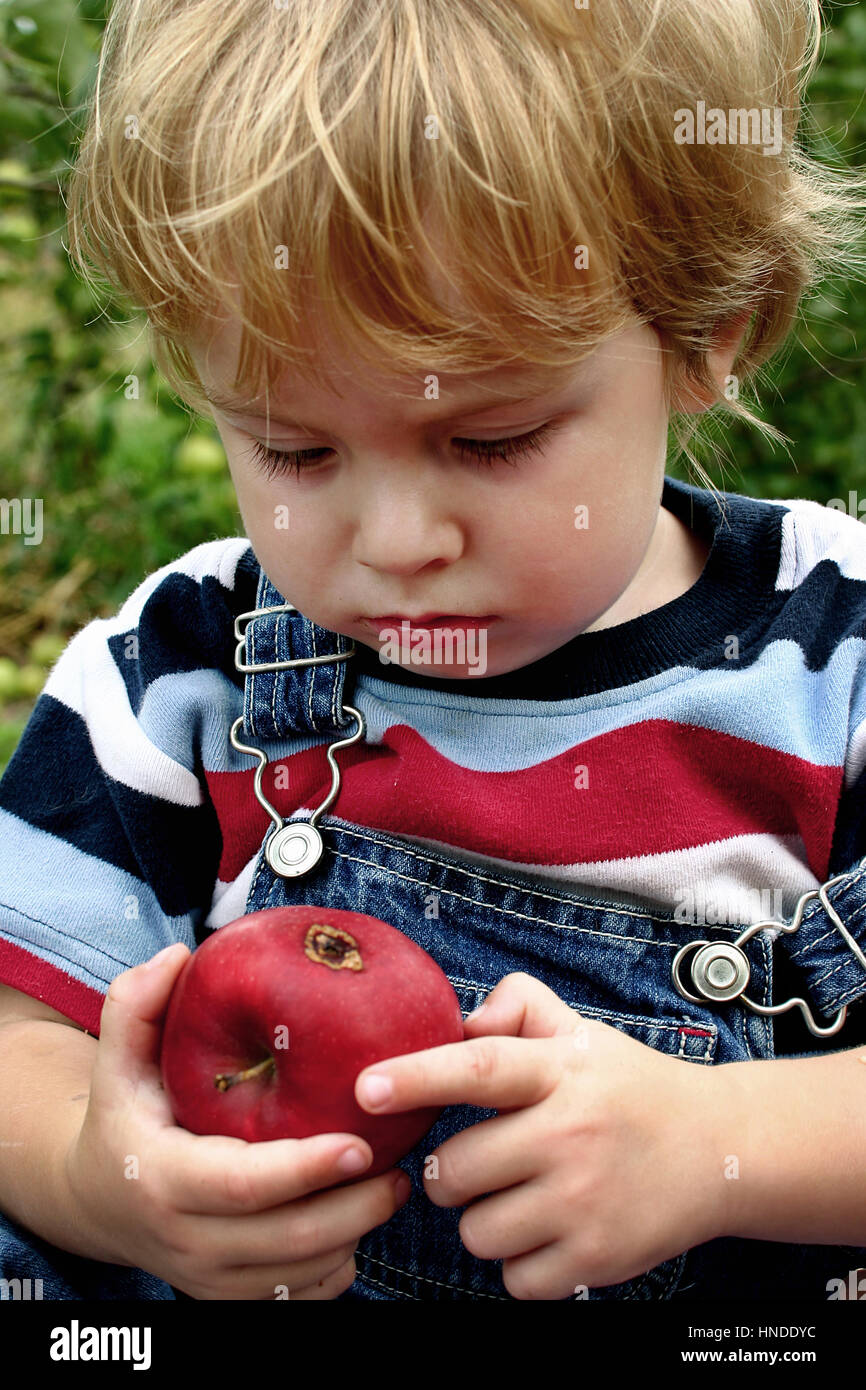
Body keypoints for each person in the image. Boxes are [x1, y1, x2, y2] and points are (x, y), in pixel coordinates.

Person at [1, 0, 866, 1302]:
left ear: (712, 330)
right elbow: (22, 1032)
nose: (396, 541)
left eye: (490, 437)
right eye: (295, 450)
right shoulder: (187, 675)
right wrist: (97, 1172)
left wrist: (721, 1148)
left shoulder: (827, 668)